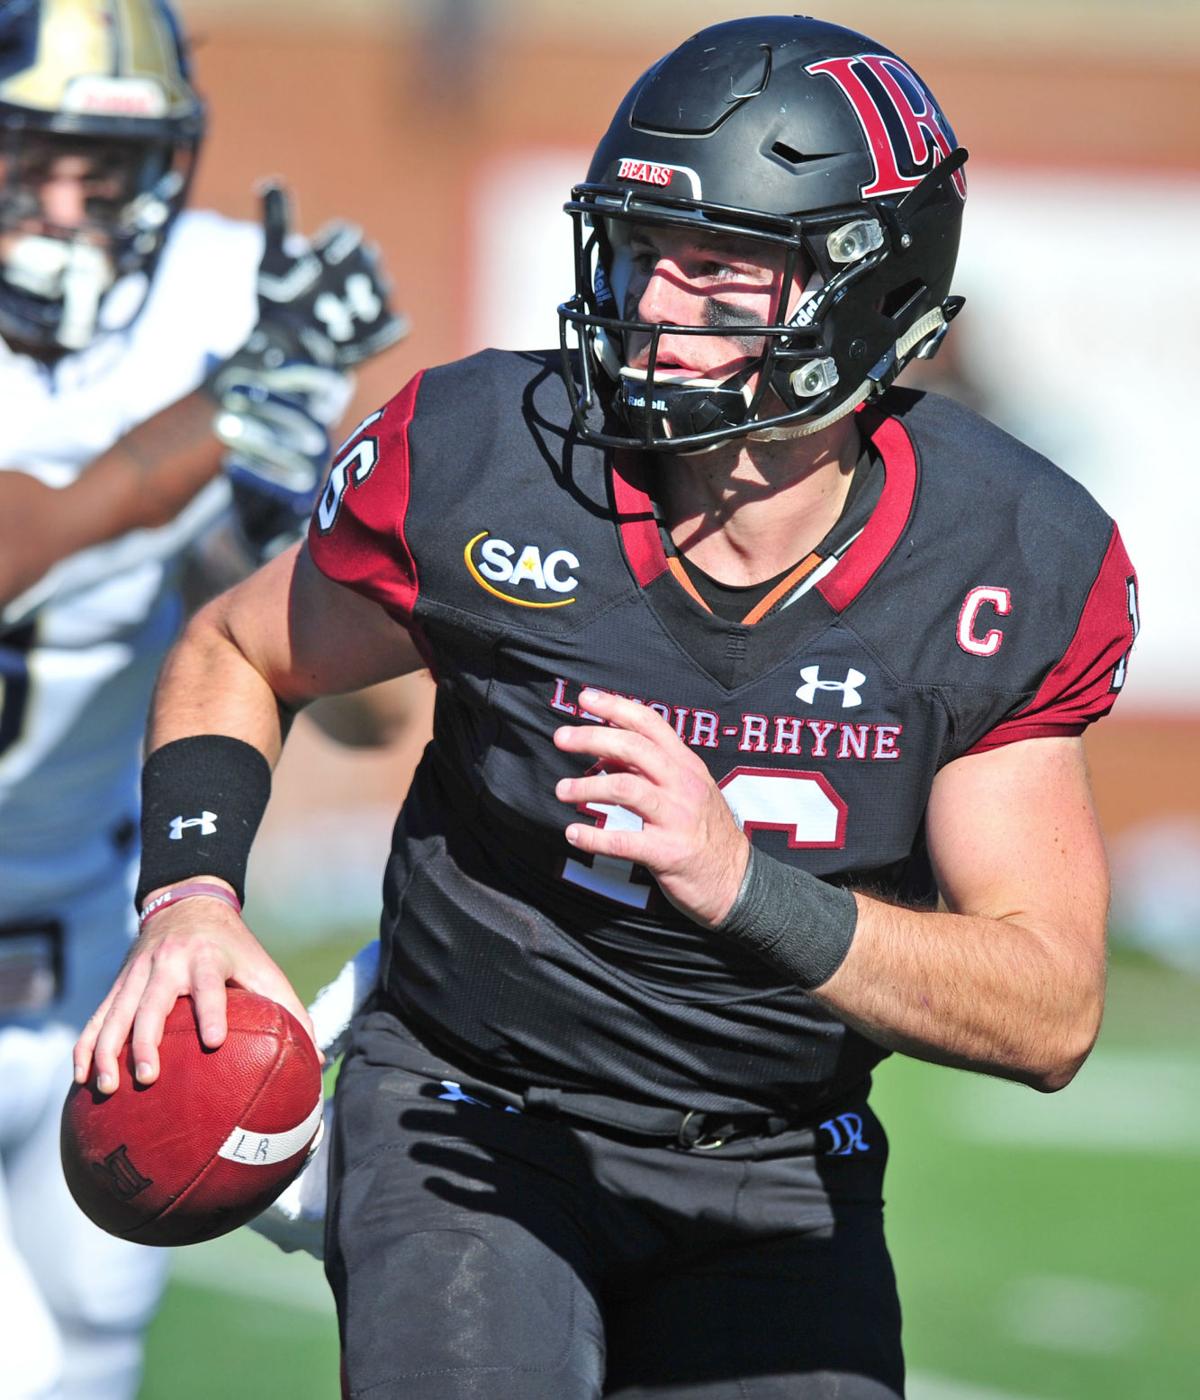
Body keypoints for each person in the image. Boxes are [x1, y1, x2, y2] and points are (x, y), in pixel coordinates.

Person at [76, 15, 1139, 1399]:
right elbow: (236, 646)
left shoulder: (1002, 552)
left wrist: (743, 884)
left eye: (725, 267)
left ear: (867, 286)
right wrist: (193, 902)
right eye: (643, 251)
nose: (656, 301)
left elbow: (1047, 1011)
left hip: (773, 1161)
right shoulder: (492, 457)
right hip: (472, 1119)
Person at [0, 2, 408, 1397]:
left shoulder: (225, 291)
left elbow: (356, 716)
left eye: (102, 168)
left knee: (92, 1346)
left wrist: (264, 534)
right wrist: (221, 415)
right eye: (23, 157)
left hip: (92, 943)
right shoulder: (228, 358)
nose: (65, 206)